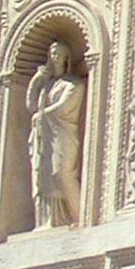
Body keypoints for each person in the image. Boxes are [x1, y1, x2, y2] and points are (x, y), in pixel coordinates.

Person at [25, 39, 85, 228]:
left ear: (67, 57)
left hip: (62, 134)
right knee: (44, 177)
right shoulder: (47, 85)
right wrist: (36, 81)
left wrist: (42, 114)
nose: (55, 57)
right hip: (44, 136)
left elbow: (64, 107)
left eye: (58, 53)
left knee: (62, 171)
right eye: (52, 54)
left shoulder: (74, 84)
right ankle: (48, 221)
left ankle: (77, 216)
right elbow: (32, 106)